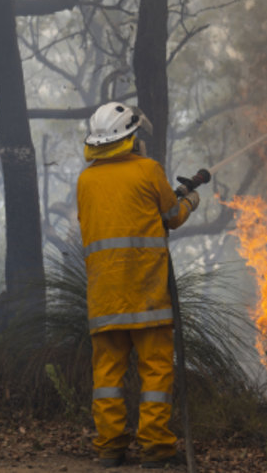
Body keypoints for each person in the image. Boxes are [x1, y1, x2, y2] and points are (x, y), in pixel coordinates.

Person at [76, 101, 199, 468]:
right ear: (129, 139)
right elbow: (172, 217)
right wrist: (189, 199)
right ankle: (156, 448)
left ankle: (110, 447)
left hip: (105, 298)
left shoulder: (85, 181)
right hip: (147, 296)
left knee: (108, 376)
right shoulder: (148, 170)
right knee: (156, 371)